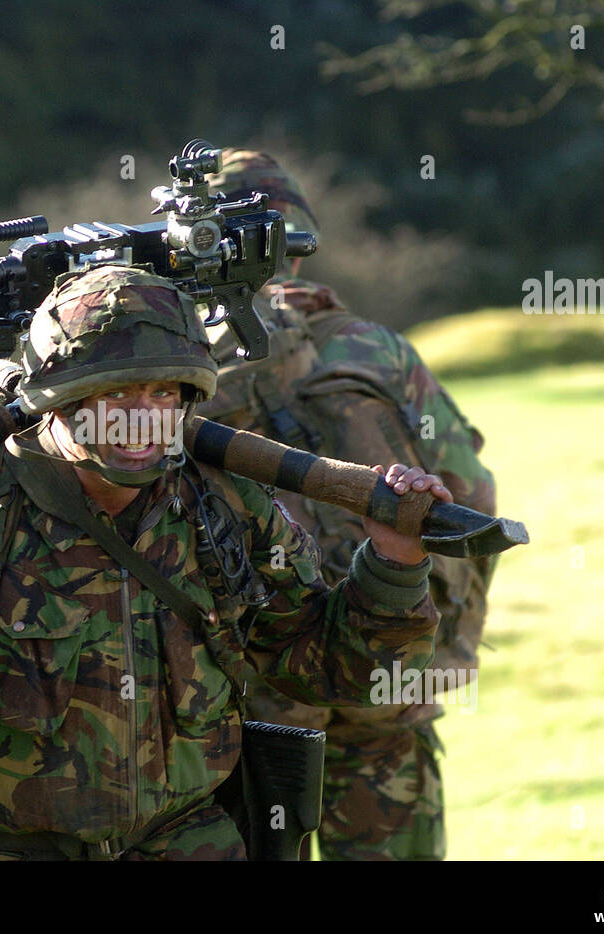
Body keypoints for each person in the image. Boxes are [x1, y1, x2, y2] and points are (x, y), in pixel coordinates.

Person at [0, 264, 448, 860]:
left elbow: (336, 668)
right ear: (58, 399)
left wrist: (393, 562)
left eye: (162, 395)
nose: (142, 418)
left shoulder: (225, 509)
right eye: (118, 393)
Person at [202, 149, 498, 860]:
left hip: (249, 700)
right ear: (298, 249)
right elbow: (472, 497)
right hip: (388, 684)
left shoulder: (171, 362)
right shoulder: (378, 351)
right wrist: (445, 643)